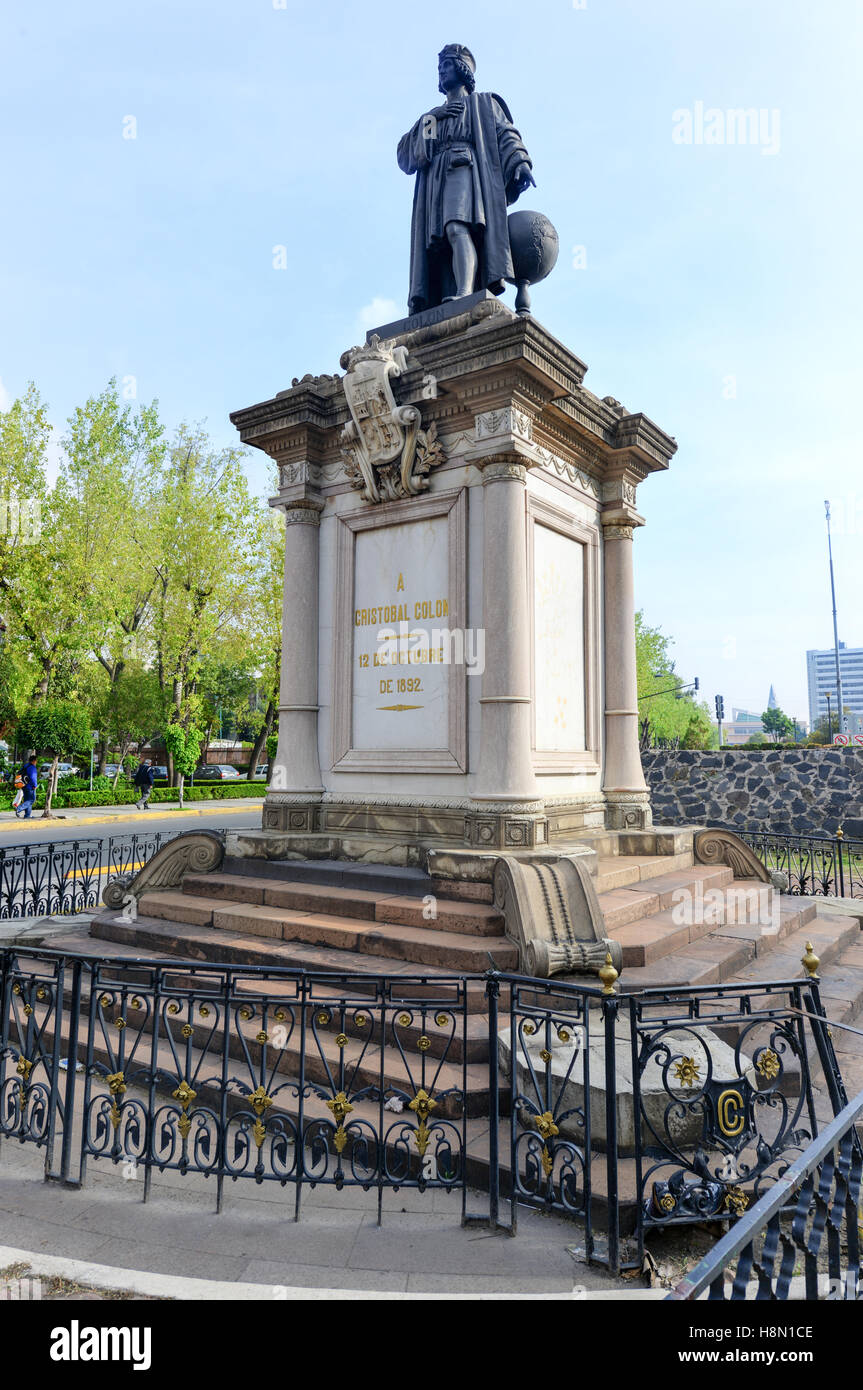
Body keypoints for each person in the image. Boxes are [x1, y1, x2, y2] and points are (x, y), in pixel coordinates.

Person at [397, 44, 535, 314]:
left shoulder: (483, 103)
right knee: (439, 243)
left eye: (446, 65)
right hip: (435, 178)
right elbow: (411, 157)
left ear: (462, 69)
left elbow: (505, 133)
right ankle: (449, 292)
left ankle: (464, 292)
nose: (441, 71)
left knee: (457, 228)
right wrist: (431, 119)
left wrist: (520, 161)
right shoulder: (434, 116)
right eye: (439, 67)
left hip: (464, 168)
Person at [17, 753, 38, 819]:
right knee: (32, 800)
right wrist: (35, 785)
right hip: (30, 786)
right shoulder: (32, 767)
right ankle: (19, 808)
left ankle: (27, 816)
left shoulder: (26, 766)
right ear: (34, 761)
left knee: (27, 800)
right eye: (36, 761)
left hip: (24, 785)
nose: (36, 762)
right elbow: (33, 777)